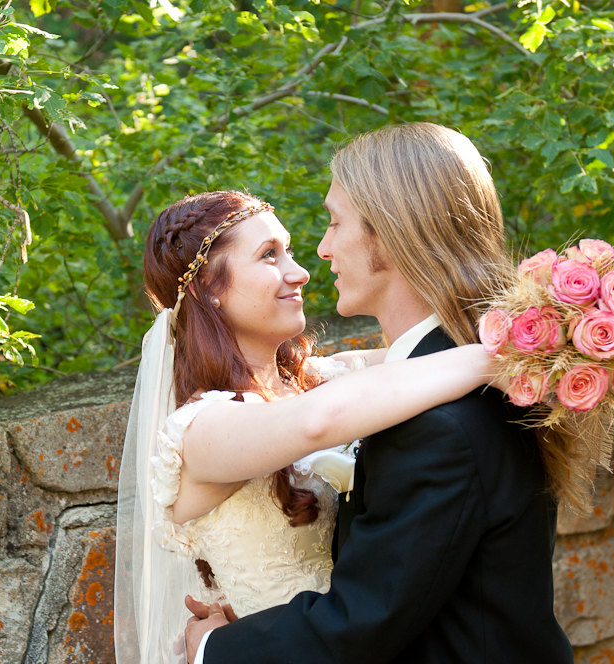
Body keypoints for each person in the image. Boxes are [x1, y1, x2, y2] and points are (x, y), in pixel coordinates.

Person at [183, 123, 575, 663]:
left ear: (388, 235)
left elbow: (364, 619)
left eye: (333, 222)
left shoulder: (442, 421)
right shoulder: (446, 375)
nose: (319, 251)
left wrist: (212, 649)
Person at [113, 182, 507, 664]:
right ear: (207, 288)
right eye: (268, 256)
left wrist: (551, 332)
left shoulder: (313, 382)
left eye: (290, 250)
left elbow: (415, 357)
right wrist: (497, 359)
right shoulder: (202, 431)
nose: (298, 271)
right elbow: (319, 423)